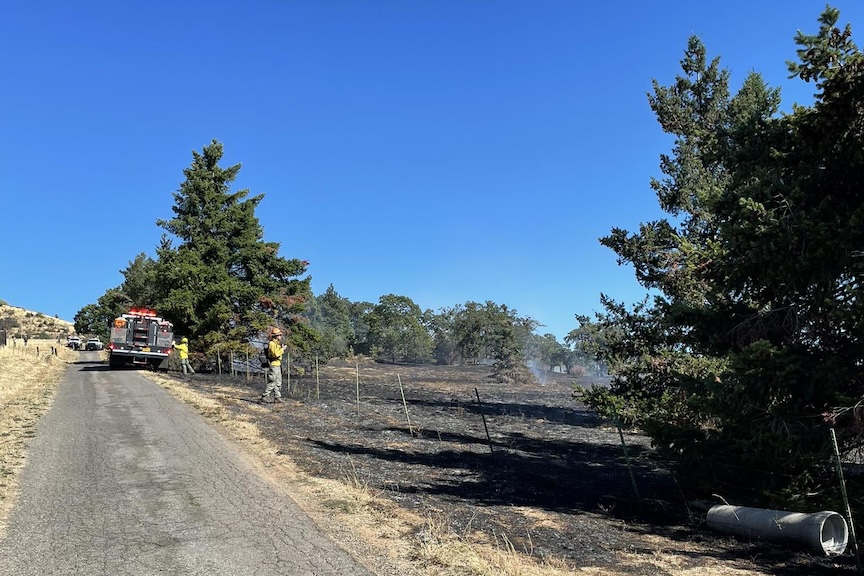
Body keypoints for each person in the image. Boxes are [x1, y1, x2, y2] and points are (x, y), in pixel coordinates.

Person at [260, 328, 285, 403]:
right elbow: (275, 354)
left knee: (278, 382)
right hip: (274, 364)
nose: (280, 336)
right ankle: (264, 396)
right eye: (279, 335)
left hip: (277, 364)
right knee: (272, 381)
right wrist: (282, 349)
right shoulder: (272, 344)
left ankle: (277, 397)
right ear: (276, 336)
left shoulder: (276, 343)